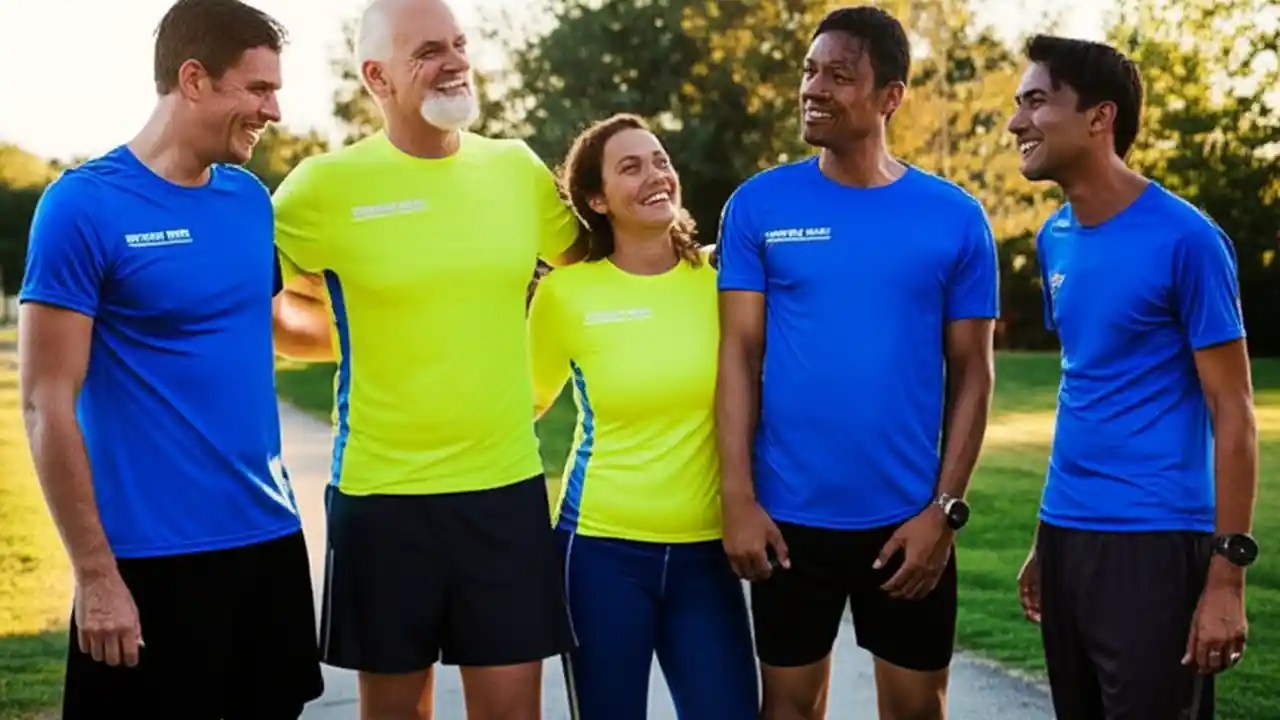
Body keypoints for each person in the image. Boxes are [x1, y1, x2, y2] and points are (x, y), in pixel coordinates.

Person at [269, 0, 586, 717]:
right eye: (428, 51)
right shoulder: (323, 186)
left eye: (459, 43)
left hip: (503, 490)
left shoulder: (516, 170)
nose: (454, 60)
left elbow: (589, 273)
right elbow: (245, 302)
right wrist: (345, 335)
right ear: (376, 77)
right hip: (381, 500)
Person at [16, 1, 324, 718]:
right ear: (193, 79)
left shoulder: (250, 200)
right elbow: (45, 403)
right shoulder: (81, 207)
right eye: (257, 89)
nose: (273, 110)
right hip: (147, 565)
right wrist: (96, 575)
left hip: (269, 543)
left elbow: (269, 322)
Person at [715, 6, 999, 719]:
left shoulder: (955, 217)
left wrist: (943, 512)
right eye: (810, 70)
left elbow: (974, 371)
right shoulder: (758, 205)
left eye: (839, 76)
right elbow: (738, 354)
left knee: (914, 710)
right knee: (787, 708)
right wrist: (740, 500)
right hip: (788, 523)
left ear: (890, 97)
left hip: (907, 523)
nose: (814, 88)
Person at [1008, 35, 1258, 720]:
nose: (1015, 123)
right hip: (1067, 538)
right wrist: (1043, 541)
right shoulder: (1054, 237)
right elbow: (1085, 388)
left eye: (1035, 101)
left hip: (1152, 544)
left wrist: (1227, 576)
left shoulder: (1188, 241)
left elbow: (1233, 410)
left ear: (1099, 117)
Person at [527, 113, 758, 719]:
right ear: (597, 199)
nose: (656, 175)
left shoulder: (722, 282)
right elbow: (520, 405)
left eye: (660, 160)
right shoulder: (567, 294)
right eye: (631, 167)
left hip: (709, 556)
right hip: (600, 554)